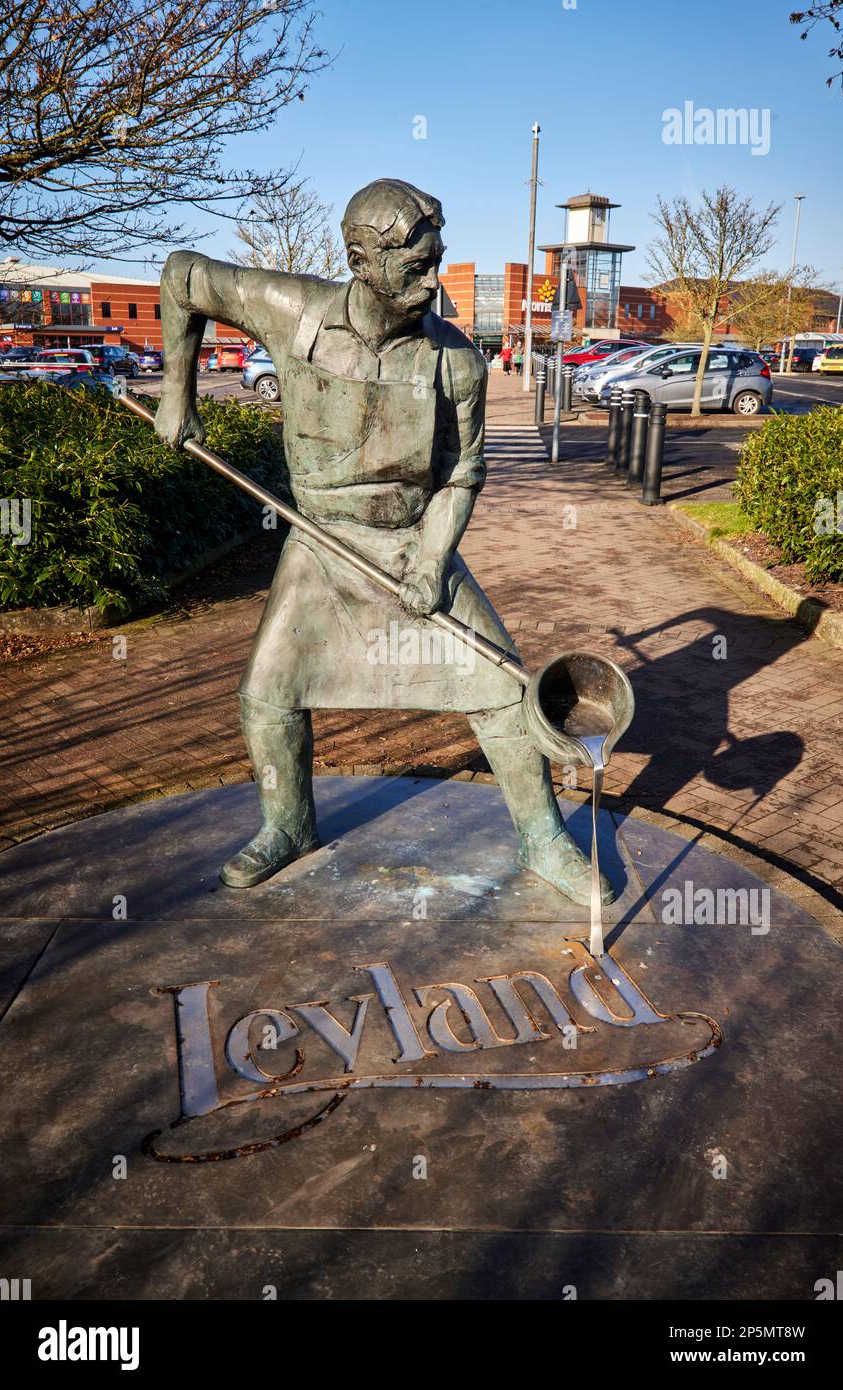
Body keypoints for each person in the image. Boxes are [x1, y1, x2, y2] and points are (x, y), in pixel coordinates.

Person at [155, 178, 610, 907]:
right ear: (362, 258)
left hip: (409, 543)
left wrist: (431, 561)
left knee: (501, 690)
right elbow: (181, 276)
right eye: (417, 267)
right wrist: (178, 391)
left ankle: (544, 840)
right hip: (320, 544)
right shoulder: (290, 307)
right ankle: (288, 826)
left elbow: (461, 477)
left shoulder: (455, 361)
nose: (434, 282)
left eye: (438, 263)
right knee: (267, 694)